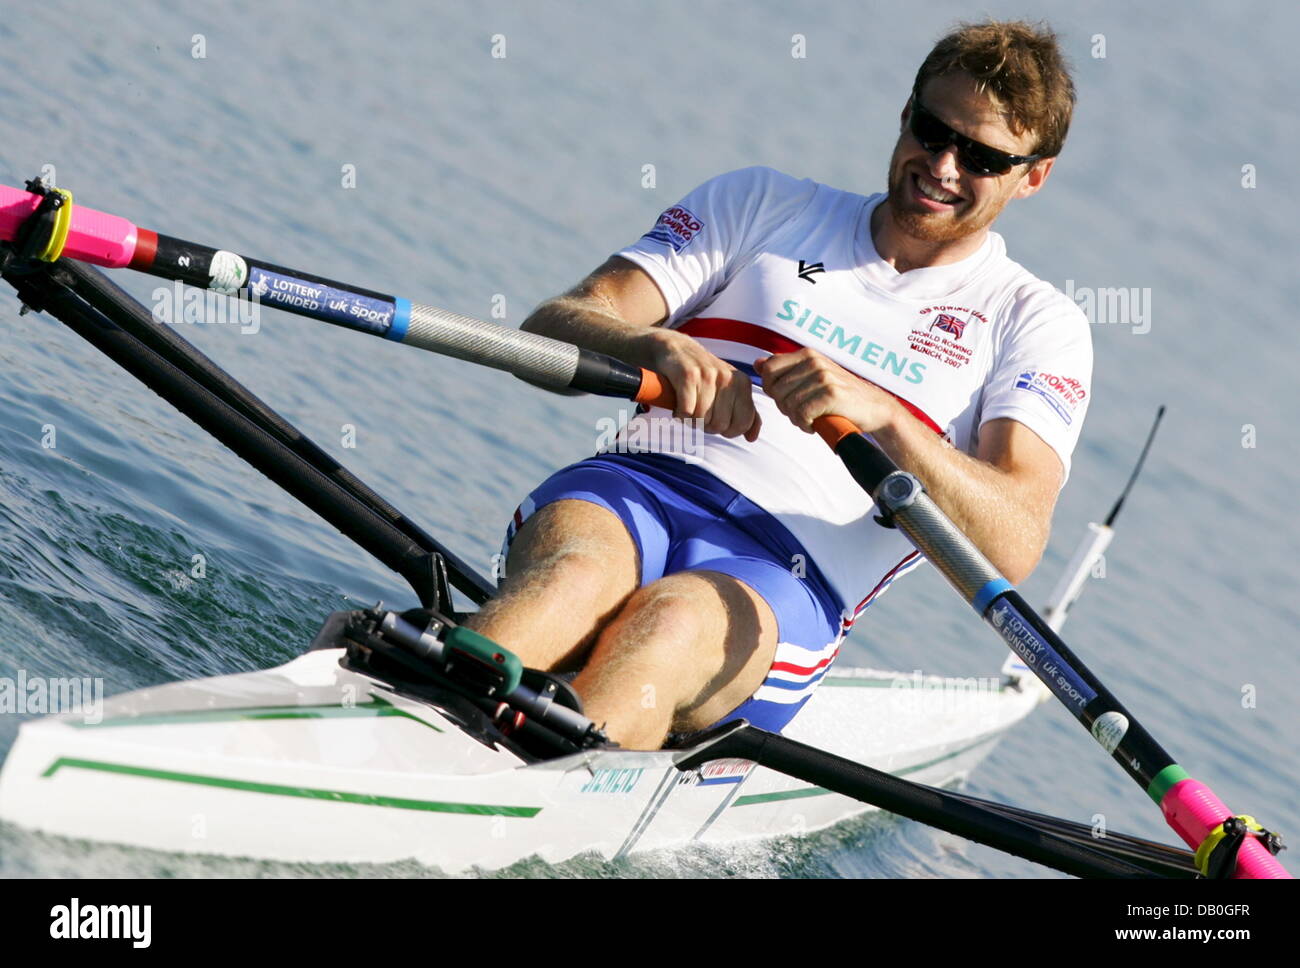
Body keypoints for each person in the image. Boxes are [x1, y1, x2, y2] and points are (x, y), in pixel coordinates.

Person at [466, 19, 1091, 750]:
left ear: (1034, 175)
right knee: (575, 577)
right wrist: (649, 344)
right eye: (932, 129)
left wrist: (886, 418)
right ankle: (421, 700)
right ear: (905, 113)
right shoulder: (762, 203)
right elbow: (547, 332)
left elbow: (1015, 541)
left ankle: (536, 768)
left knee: (669, 623)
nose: (944, 165)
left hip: (787, 579)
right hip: (632, 492)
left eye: (982, 156)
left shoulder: (1035, 321)